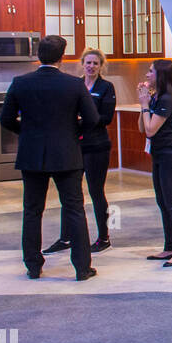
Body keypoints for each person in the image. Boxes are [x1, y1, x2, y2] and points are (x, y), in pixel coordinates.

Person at [0, 35, 98, 280]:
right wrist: (73, 133)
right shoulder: (74, 84)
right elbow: (93, 119)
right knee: (74, 209)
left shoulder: (20, 83)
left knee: (32, 210)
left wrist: (27, 133)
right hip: (66, 153)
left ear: (38, 55)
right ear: (62, 57)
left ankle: (33, 265)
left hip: (32, 155)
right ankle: (82, 267)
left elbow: (6, 118)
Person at [43, 49, 117, 255]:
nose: (91, 66)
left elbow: (106, 118)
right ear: (82, 64)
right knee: (71, 193)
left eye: (95, 63)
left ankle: (104, 237)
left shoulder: (106, 87)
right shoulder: (75, 85)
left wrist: (82, 121)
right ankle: (66, 238)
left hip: (97, 146)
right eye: (88, 63)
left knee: (96, 191)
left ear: (101, 66)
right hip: (75, 145)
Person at [138, 60, 172, 266]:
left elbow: (151, 129)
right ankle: (169, 247)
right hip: (159, 154)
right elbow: (142, 127)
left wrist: (143, 105)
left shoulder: (168, 99)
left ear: (161, 76)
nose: (148, 75)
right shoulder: (156, 97)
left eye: (151, 71)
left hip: (171, 155)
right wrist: (145, 103)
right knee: (162, 201)